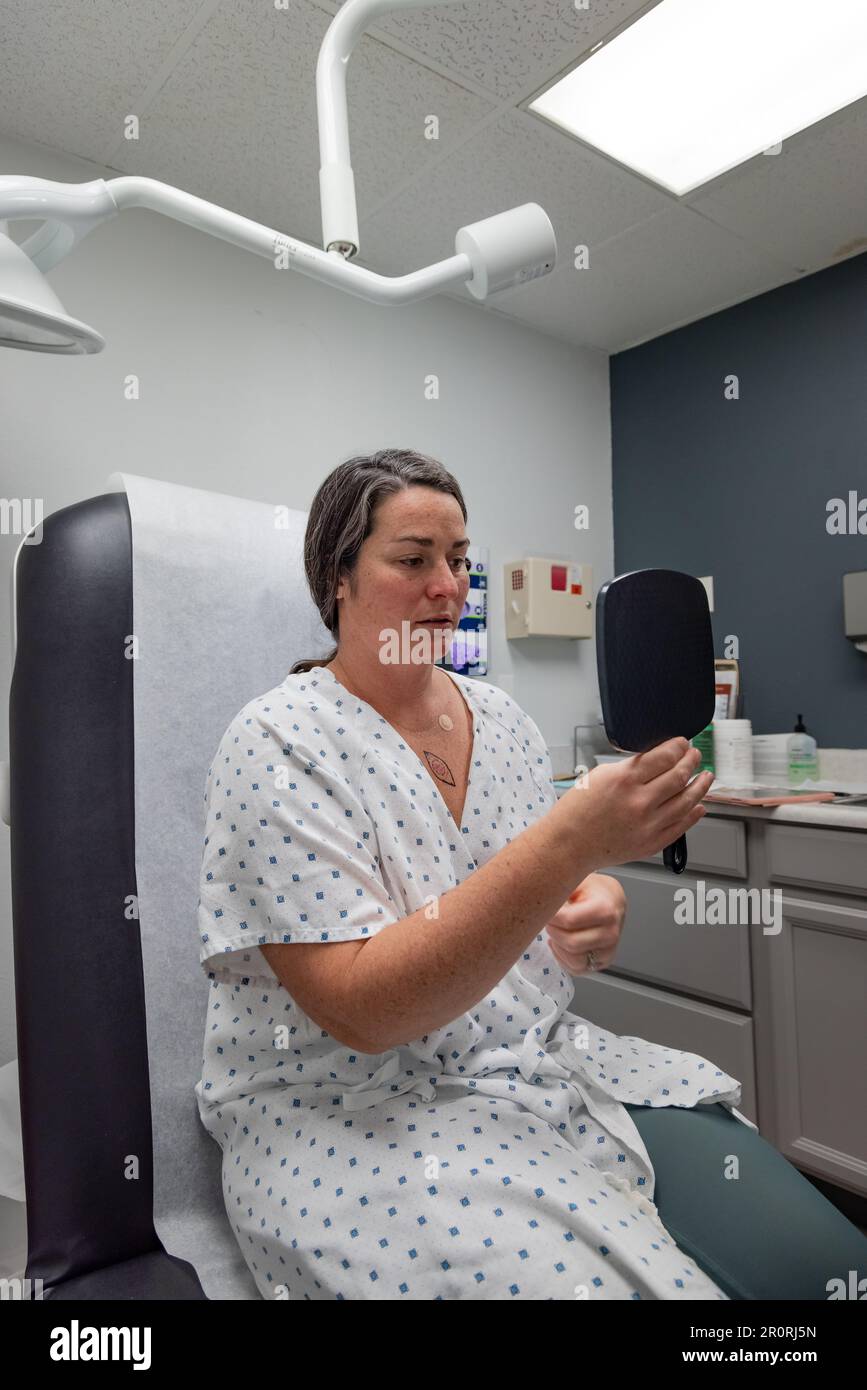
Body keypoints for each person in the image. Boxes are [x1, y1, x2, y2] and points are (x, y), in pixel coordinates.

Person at [194, 447, 867, 1301]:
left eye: (459, 559)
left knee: (826, 1274)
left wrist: (590, 905)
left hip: (538, 1064)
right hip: (354, 1113)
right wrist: (569, 851)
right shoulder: (276, 744)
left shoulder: (502, 723)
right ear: (338, 577)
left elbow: (527, 892)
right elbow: (365, 1011)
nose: (447, 586)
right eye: (412, 560)